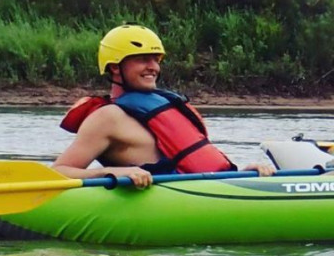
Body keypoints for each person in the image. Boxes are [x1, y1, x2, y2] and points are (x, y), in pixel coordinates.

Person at [53, 24, 274, 187]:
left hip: (207, 191)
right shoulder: (107, 117)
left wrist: (243, 175)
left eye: (155, 59)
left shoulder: (164, 105)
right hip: (170, 201)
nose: (153, 67)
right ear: (114, 68)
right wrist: (113, 172)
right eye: (142, 59)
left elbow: (193, 169)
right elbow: (58, 172)